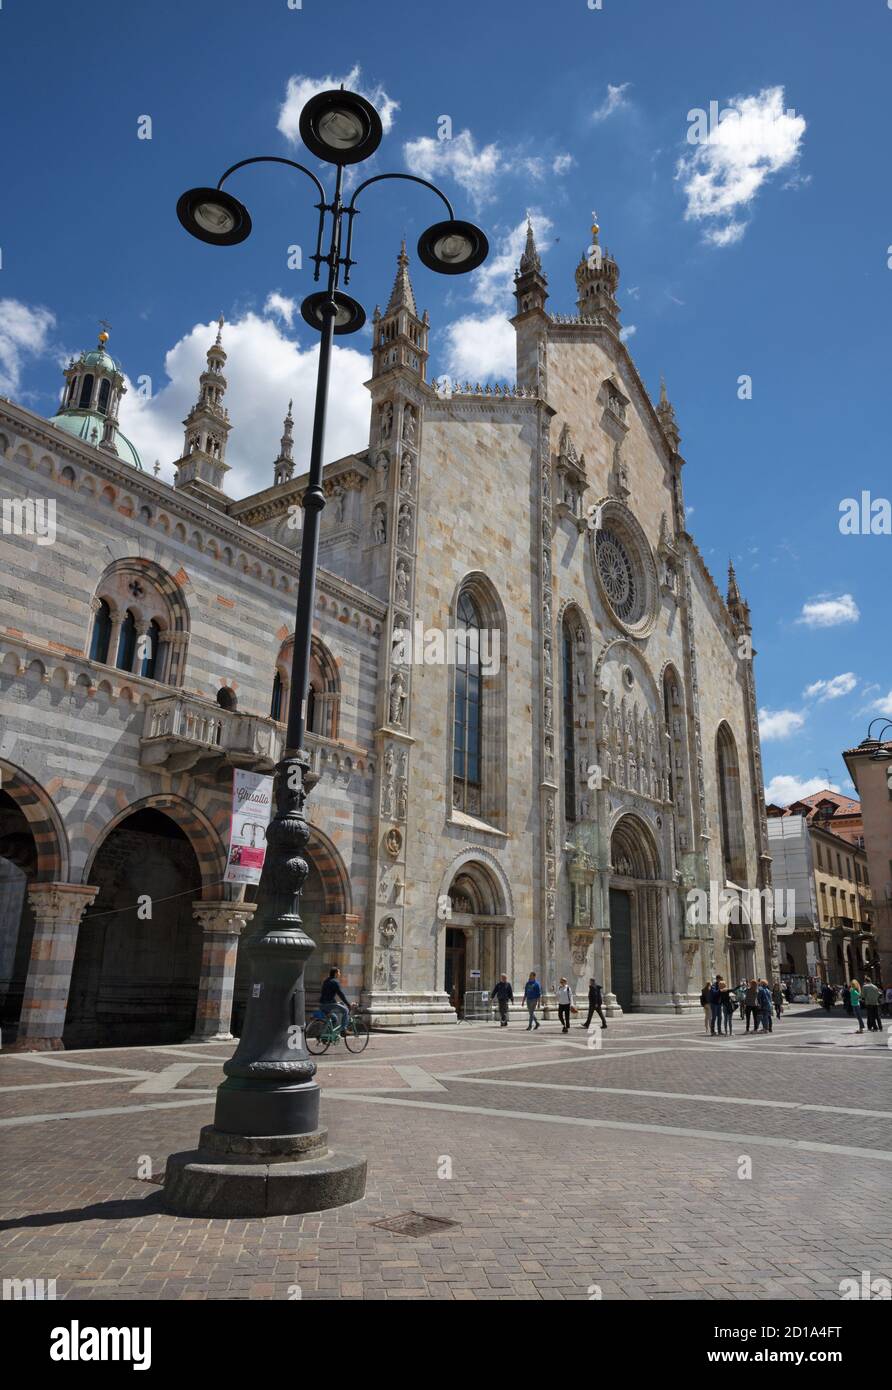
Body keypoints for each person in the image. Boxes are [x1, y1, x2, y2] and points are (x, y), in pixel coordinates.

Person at [319, 966, 351, 1034]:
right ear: (336, 973)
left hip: (322, 1005)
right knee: (346, 1010)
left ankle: (327, 1034)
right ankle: (343, 1029)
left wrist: (336, 1002)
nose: (340, 974)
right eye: (339, 972)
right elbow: (341, 994)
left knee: (334, 1019)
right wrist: (348, 1004)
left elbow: (327, 994)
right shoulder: (335, 982)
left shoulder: (326, 981)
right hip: (329, 1005)